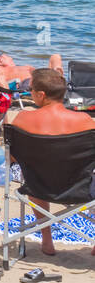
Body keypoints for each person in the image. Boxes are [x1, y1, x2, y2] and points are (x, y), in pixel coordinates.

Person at [7, 68, 95, 256]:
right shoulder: (86, 122)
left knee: (34, 172)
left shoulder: (22, 120)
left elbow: (11, 160)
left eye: (30, 89)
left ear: (41, 94)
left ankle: (47, 239)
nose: (29, 92)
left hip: (38, 187)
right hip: (80, 188)